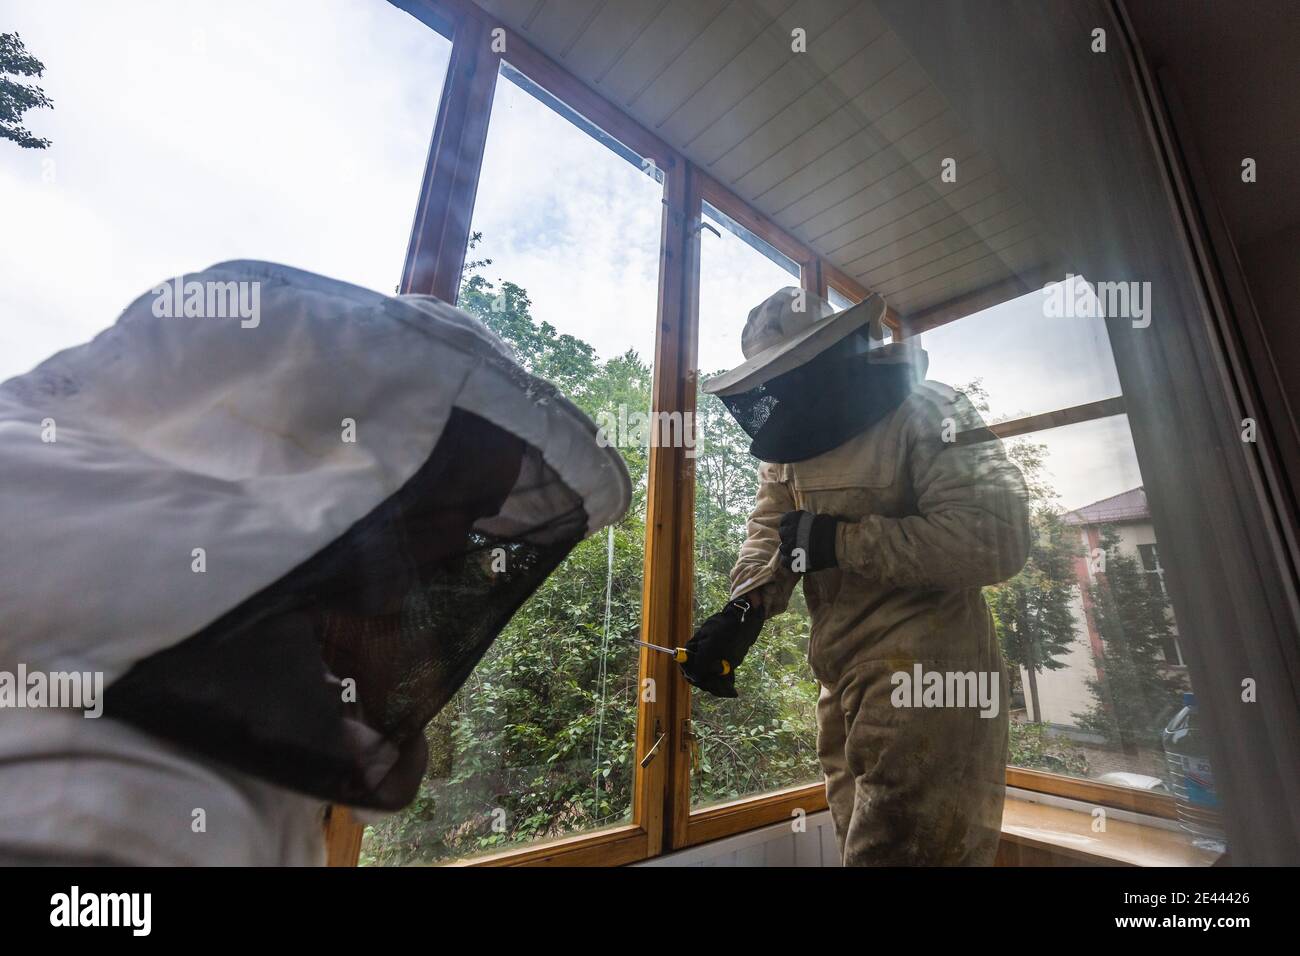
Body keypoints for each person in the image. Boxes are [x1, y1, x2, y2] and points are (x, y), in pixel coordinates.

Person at [0, 261, 630, 864]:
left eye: (471, 523)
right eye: (442, 510)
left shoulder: (214, 614)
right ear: (333, 468)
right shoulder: (139, 785)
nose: (447, 556)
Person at [682, 287, 1030, 866]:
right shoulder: (790, 448)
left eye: (795, 366)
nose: (786, 384)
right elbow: (771, 531)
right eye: (776, 373)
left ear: (835, 349)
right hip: (840, 681)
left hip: (931, 678)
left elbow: (997, 536)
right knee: (857, 846)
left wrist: (840, 541)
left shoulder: (928, 409)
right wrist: (743, 608)